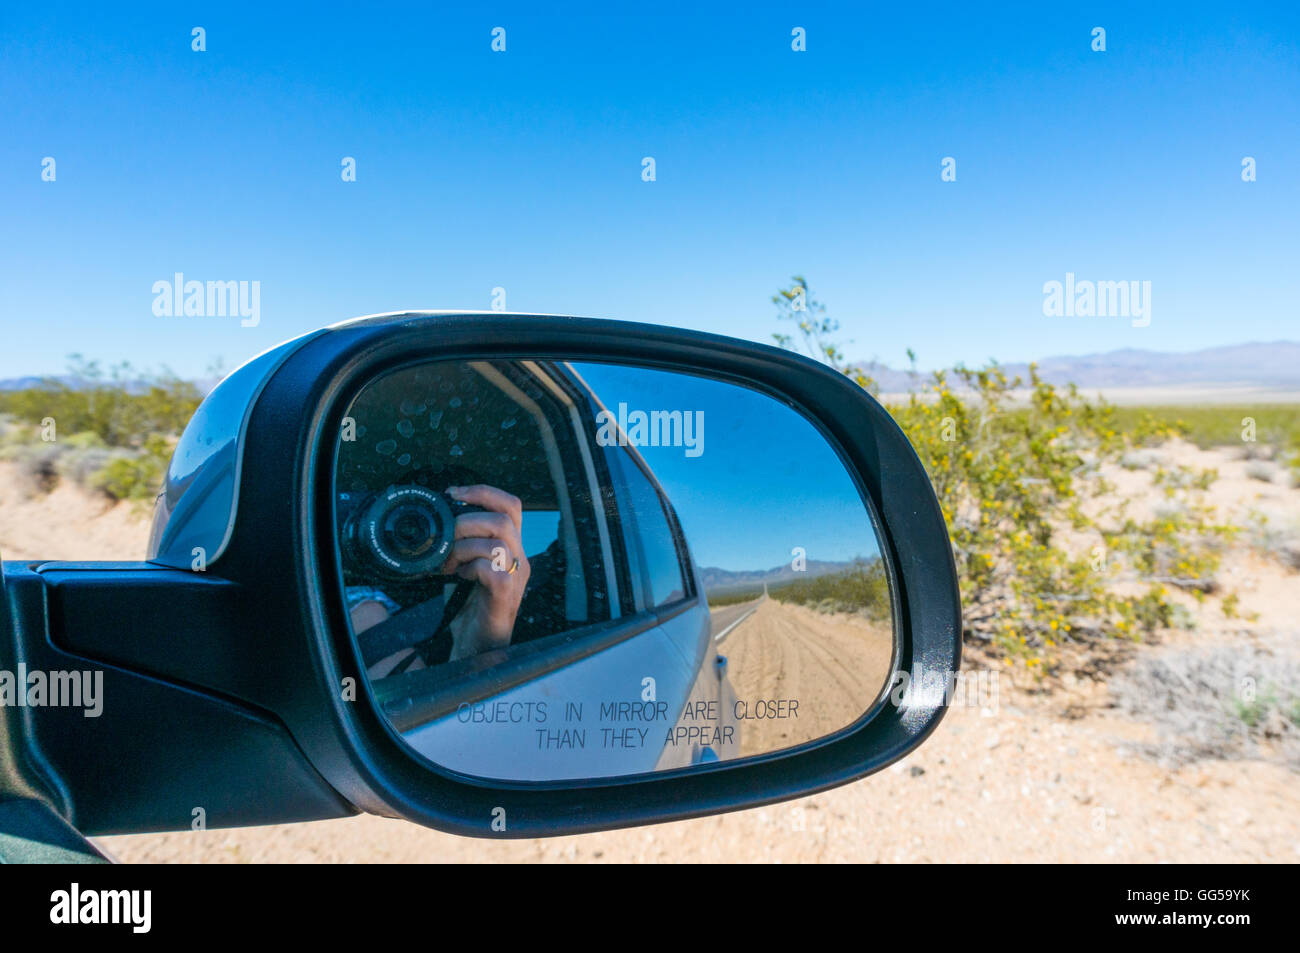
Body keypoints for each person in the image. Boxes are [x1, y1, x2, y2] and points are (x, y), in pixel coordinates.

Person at [349, 484, 531, 678]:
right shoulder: (356, 604)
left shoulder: (468, 588)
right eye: (400, 509)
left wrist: (479, 654)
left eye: (447, 519)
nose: (415, 532)